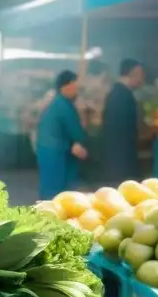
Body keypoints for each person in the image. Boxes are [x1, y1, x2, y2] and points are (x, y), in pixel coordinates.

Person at [35, 70, 88, 200]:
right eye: (76, 85)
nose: (78, 90)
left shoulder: (59, 103)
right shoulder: (64, 105)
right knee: (56, 193)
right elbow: (76, 131)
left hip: (48, 150)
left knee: (50, 188)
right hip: (56, 153)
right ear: (67, 86)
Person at [101, 58, 145, 184]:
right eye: (141, 74)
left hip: (116, 156)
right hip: (120, 159)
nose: (142, 79)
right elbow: (123, 131)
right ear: (133, 73)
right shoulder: (123, 96)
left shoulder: (117, 92)